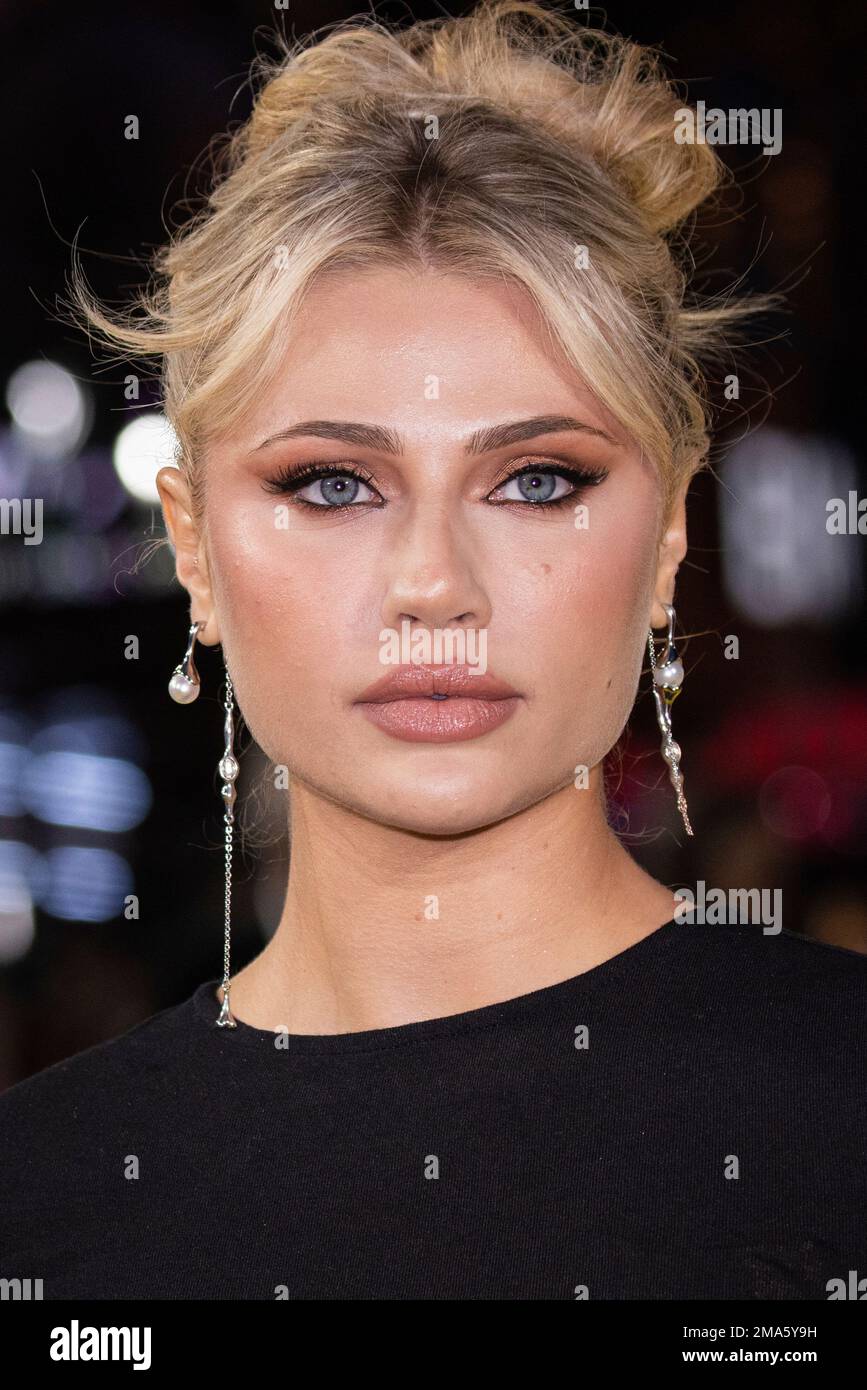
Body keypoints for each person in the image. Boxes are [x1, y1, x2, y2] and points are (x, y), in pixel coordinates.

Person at [2, 0, 865, 1301]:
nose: (434, 586)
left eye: (536, 479)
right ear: (193, 545)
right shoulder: (40, 1209)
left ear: (671, 533)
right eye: (334, 483)